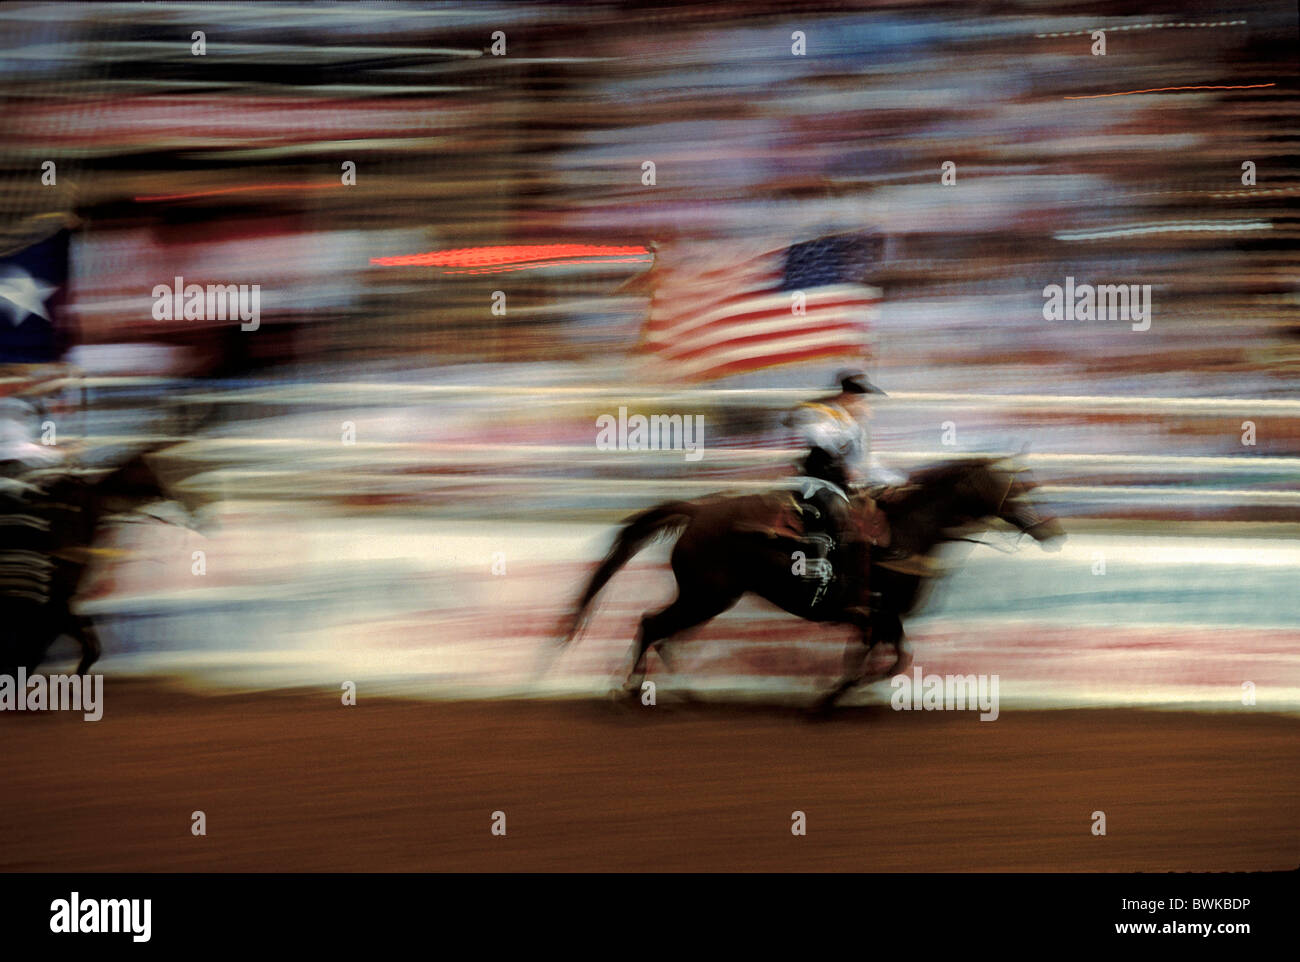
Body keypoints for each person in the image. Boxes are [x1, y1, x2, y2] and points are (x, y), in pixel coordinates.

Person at [784, 370, 895, 605]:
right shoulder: (822, 416)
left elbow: (865, 463)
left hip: (842, 487)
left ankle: (865, 578)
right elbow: (821, 440)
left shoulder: (856, 428)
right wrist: (847, 429)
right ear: (846, 398)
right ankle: (815, 576)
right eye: (858, 398)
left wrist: (895, 480)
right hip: (816, 483)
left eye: (863, 399)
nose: (862, 404)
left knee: (877, 514)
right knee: (834, 513)